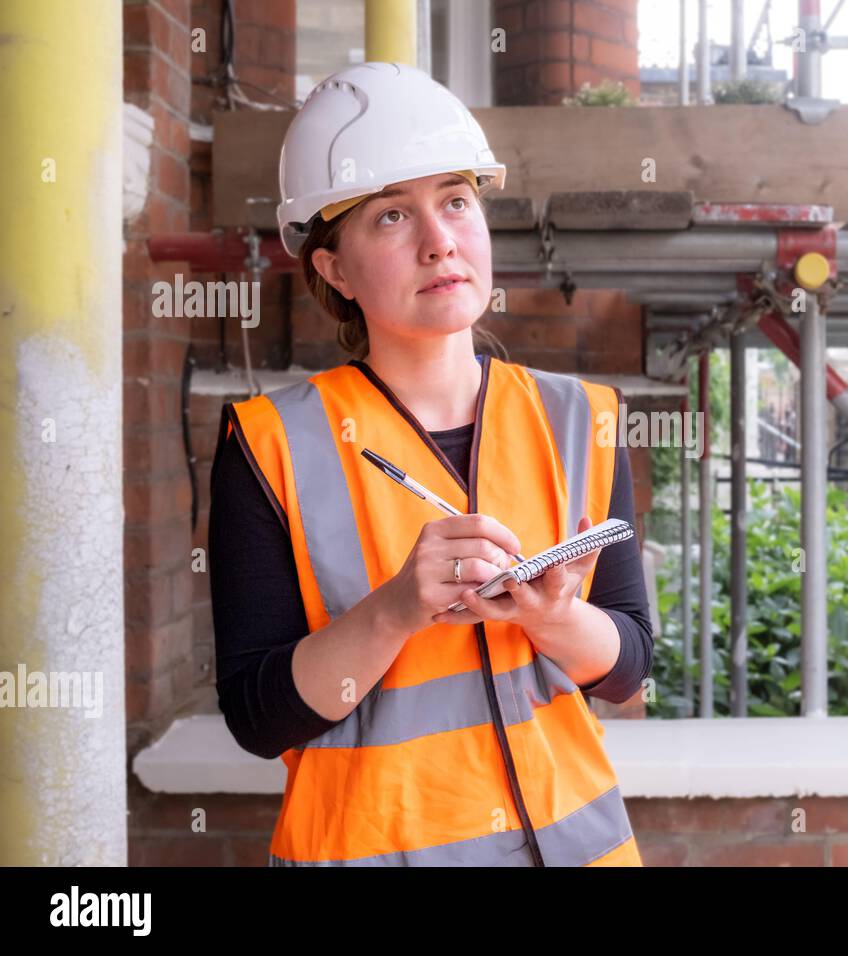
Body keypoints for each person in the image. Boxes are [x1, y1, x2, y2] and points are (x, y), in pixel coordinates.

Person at [208, 62, 651, 867]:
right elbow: (256, 716)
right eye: (389, 217)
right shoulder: (270, 442)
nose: (439, 240)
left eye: (455, 200)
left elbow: (626, 669)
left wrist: (552, 618)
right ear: (334, 269)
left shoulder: (579, 416)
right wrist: (394, 610)